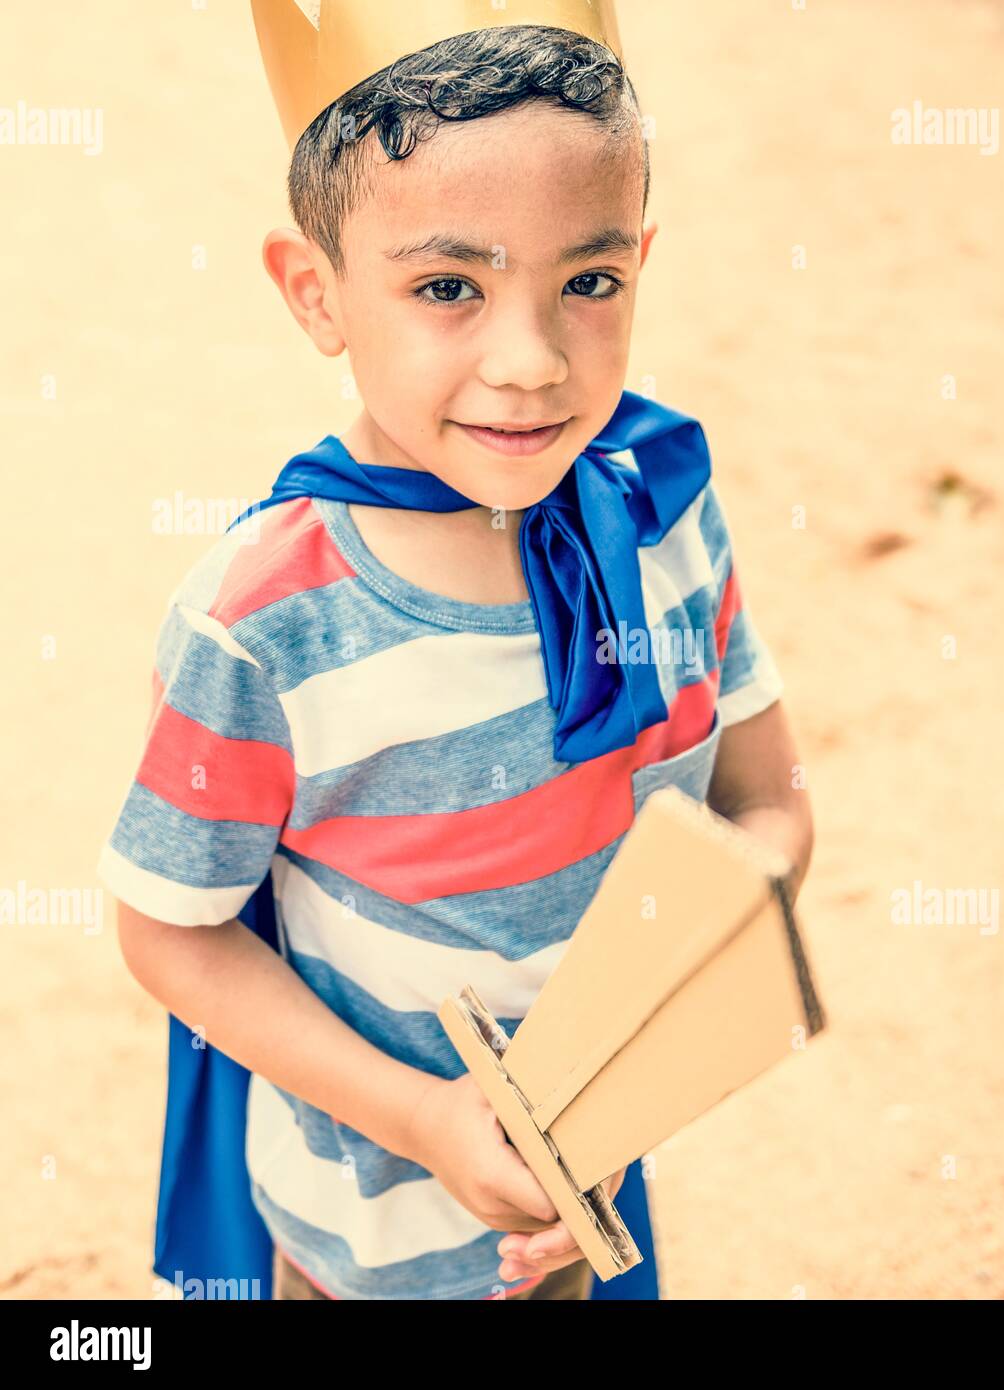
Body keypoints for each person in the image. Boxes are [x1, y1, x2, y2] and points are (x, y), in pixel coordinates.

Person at [97, 2, 814, 1301]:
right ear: (317, 293)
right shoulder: (264, 626)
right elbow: (170, 932)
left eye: (588, 281)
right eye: (447, 288)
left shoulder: (667, 511)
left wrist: (658, 1015)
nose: (531, 362)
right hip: (356, 1227)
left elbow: (766, 803)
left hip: (586, 1192)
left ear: (642, 259)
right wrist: (431, 1119)